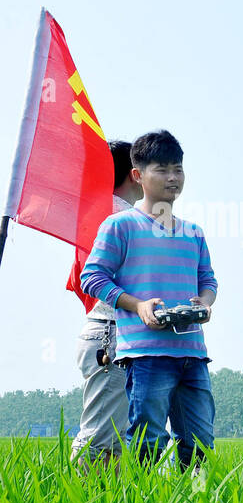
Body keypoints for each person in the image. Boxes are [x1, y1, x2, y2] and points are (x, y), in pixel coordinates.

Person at [81, 130, 218, 469]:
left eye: (178, 169)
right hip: (145, 353)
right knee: (148, 441)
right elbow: (93, 277)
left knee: (200, 444)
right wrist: (137, 305)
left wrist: (204, 302)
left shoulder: (192, 232)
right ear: (139, 175)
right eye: (162, 169)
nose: (173, 177)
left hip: (192, 353)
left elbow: (208, 280)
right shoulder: (119, 226)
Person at [70, 140, 142, 467]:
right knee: (101, 436)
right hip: (113, 334)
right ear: (134, 174)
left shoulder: (96, 212)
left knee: (111, 437)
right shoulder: (122, 218)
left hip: (103, 331)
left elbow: (79, 279)